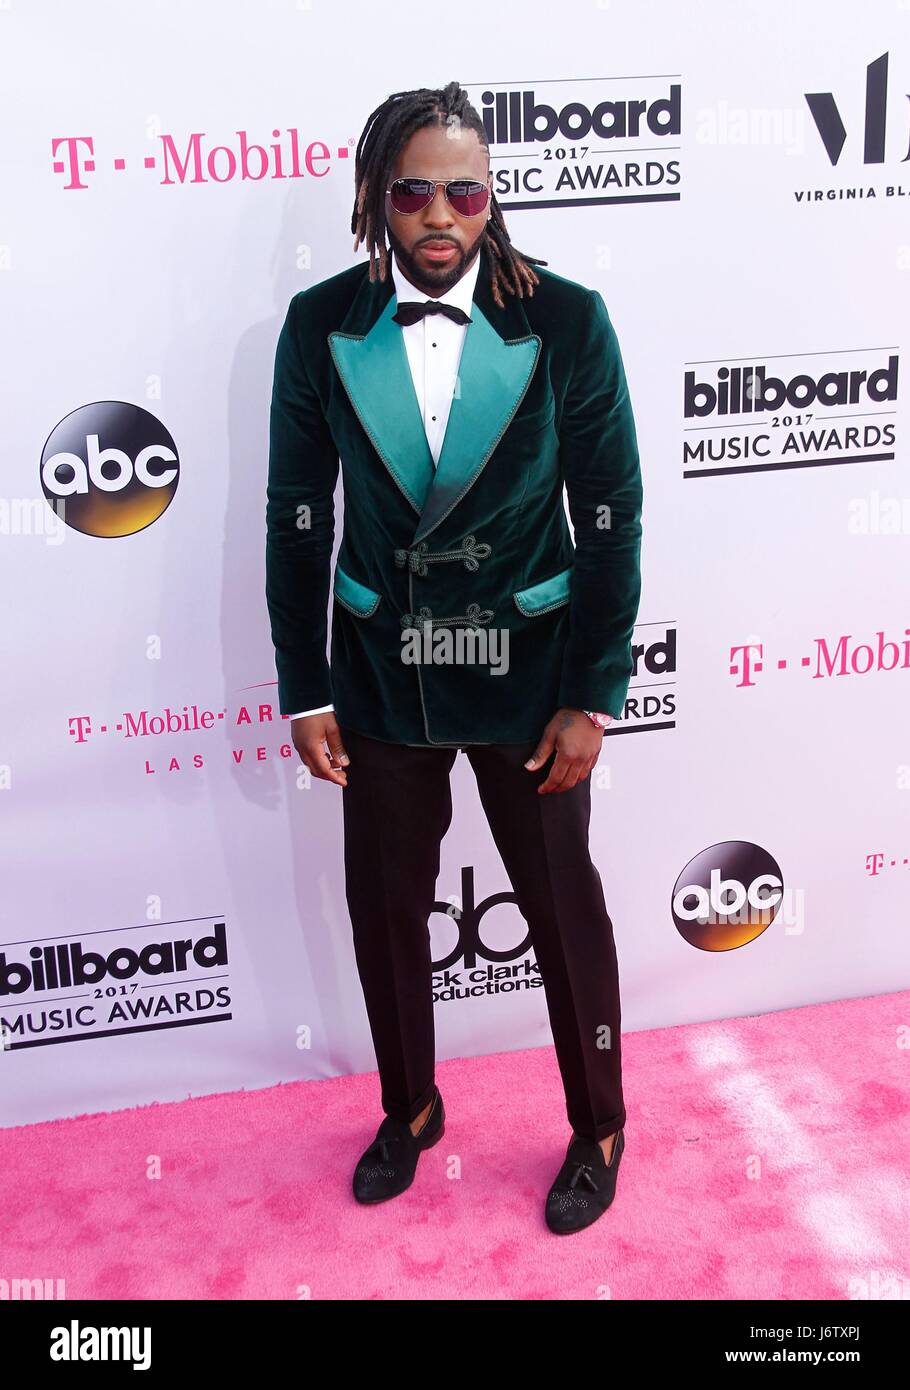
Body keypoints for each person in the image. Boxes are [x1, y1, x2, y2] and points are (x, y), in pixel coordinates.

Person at [265, 81, 643, 1234]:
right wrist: (305, 685)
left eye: (464, 189)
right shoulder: (321, 320)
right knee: (385, 907)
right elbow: (296, 511)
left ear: (493, 198)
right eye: (415, 189)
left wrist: (592, 691)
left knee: (559, 905)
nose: (440, 213)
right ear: (378, 198)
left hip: (526, 668)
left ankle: (597, 1122)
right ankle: (410, 1105)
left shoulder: (566, 320)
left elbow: (611, 509)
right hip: (381, 669)